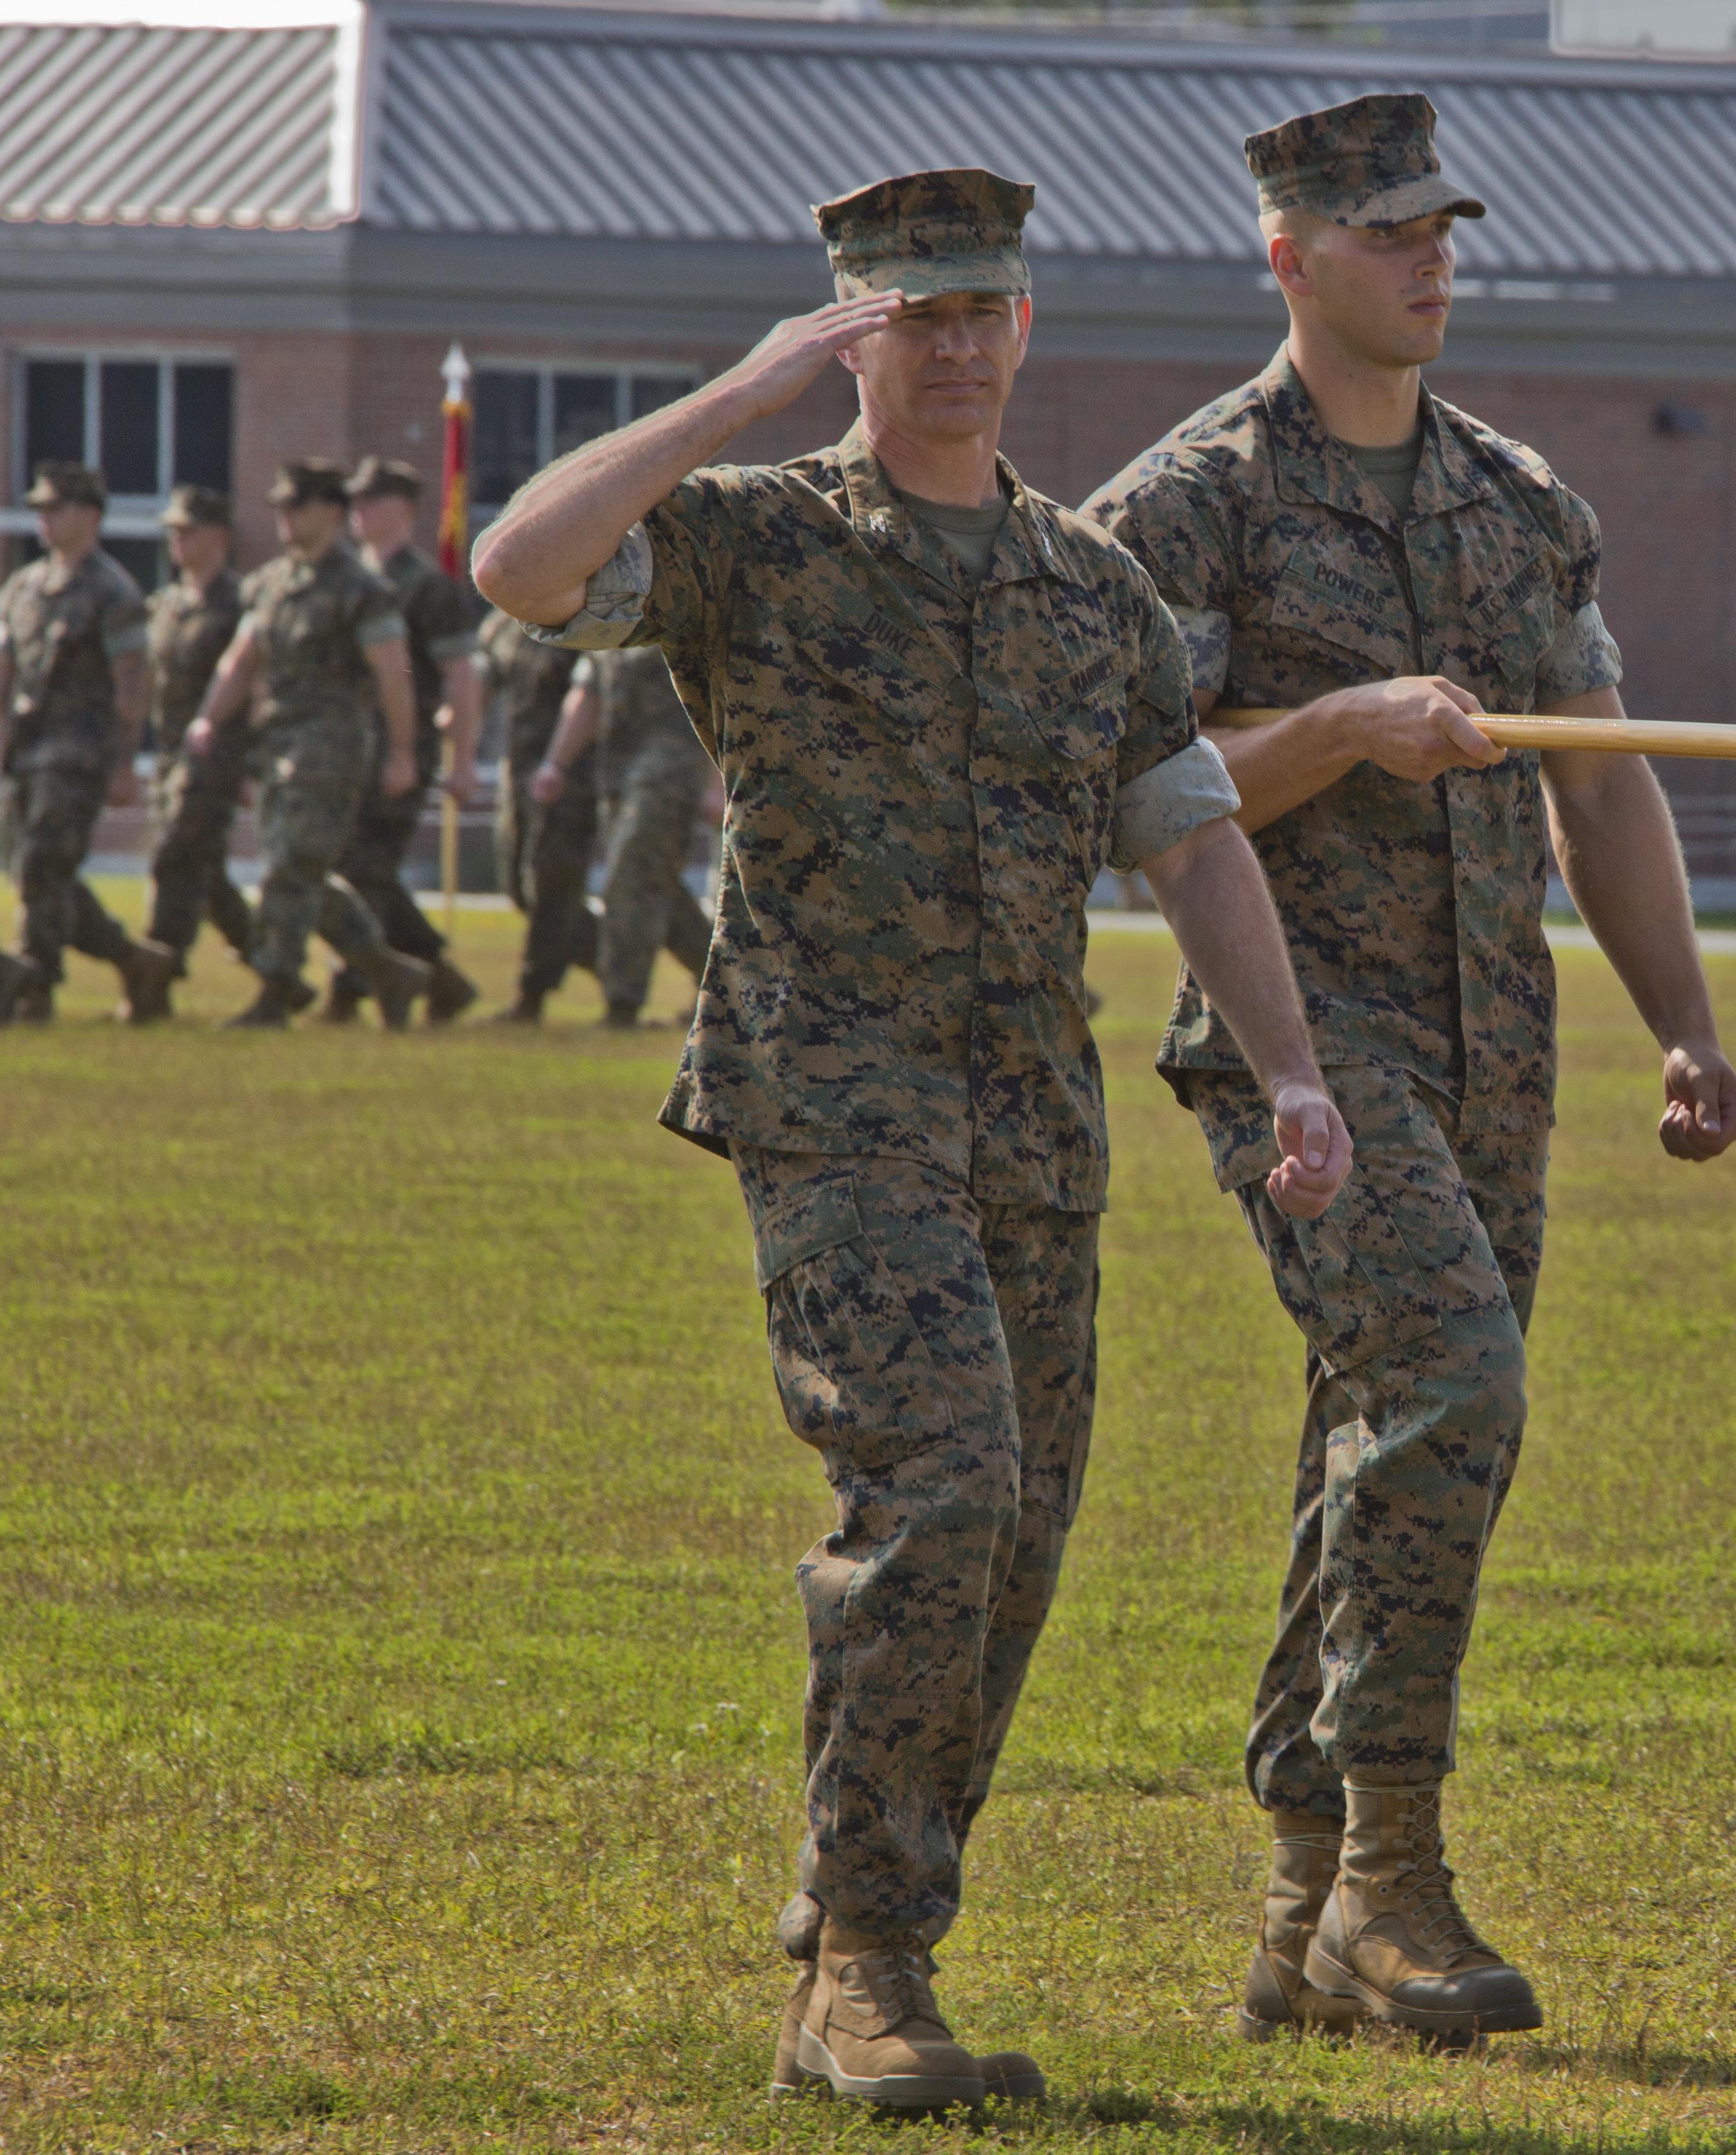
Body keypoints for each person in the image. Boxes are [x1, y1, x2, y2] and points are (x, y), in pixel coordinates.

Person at [473, 168, 1357, 2114]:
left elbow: (1190, 833)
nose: (954, 351)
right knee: (941, 1490)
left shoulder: (1083, 588)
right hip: (832, 1097)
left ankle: (867, 1948)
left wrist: (1294, 1075)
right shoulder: (749, 539)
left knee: (1014, 1545)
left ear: (1024, 331)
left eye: (981, 316)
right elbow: (524, 572)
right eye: (912, 320)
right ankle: (869, 1960)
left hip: (1029, 1118)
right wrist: (738, 392)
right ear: (855, 336)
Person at [1086, 93, 1736, 2049]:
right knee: (1450, 1379)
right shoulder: (1186, 503)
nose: (1429, 259)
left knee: (1379, 1430)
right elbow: (1148, 798)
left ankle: (1305, 1918)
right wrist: (1346, 726)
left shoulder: (1521, 504)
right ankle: (1390, 1880)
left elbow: (1599, 778)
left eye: (1440, 227)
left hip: (1492, 1045)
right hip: (1298, 1037)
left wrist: (1686, 1027)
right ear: (1286, 259)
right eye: (1386, 234)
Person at [182, 460, 437, 1029]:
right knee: (299, 870)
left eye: (296, 505)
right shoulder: (273, 583)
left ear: (333, 511)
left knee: (290, 866)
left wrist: (402, 753)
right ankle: (389, 971)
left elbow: (395, 676)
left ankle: (277, 989)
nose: (284, 516)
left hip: (331, 749)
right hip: (275, 746)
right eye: (280, 506)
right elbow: (242, 661)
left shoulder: (362, 589)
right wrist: (207, 719)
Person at [0, 463, 180, 1025]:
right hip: (27, 750)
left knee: (45, 862)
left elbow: (132, 679)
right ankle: (132, 959)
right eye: (41, 509)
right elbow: (1, 672)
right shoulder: (22, 587)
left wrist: (125, 763)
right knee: (30, 869)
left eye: (57, 508)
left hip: (79, 752)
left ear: (91, 515)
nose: (44, 519)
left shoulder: (112, 590)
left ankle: (33, 985)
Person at [320, 456, 482, 1025]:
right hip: (347, 750)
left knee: (364, 868)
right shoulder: (344, 577)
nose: (358, 512)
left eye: (373, 501)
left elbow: (462, 677)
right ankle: (430, 979)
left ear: (406, 510)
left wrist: (462, 761)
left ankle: (387, 981)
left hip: (399, 750)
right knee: (352, 870)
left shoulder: (428, 588)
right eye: (354, 501)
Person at [529, 643, 713, 1028]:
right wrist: (555, 764)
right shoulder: (608, 617)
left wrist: (716, 781)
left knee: (630, 876)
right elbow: (589, 695)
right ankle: (726, 975)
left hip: (674, 765)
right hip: (616, 768)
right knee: (648, 880)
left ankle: (621, 1005)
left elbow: (724, 698)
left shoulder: (683, 604)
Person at [143, 483, 258, 981]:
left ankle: (157, 966)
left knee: (173, 853)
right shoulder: (166, 604)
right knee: (204, 870)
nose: (178, 540)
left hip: (219, 757)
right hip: (172, 754)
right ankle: (271, 962)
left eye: (188, 531)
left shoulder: (242, 603)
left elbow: (259, 684)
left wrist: (253, 766)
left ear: (219, 536)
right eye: (173, 531)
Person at [478, 609, 598, 1023]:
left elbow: (590, 695)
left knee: (550, 884)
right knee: (517, 885)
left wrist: (558, 764)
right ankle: (613, 953)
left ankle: (531, 997)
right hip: (518, 770)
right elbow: (484, 676)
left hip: (570, 773)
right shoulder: (503, 623)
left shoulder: (580, 619)